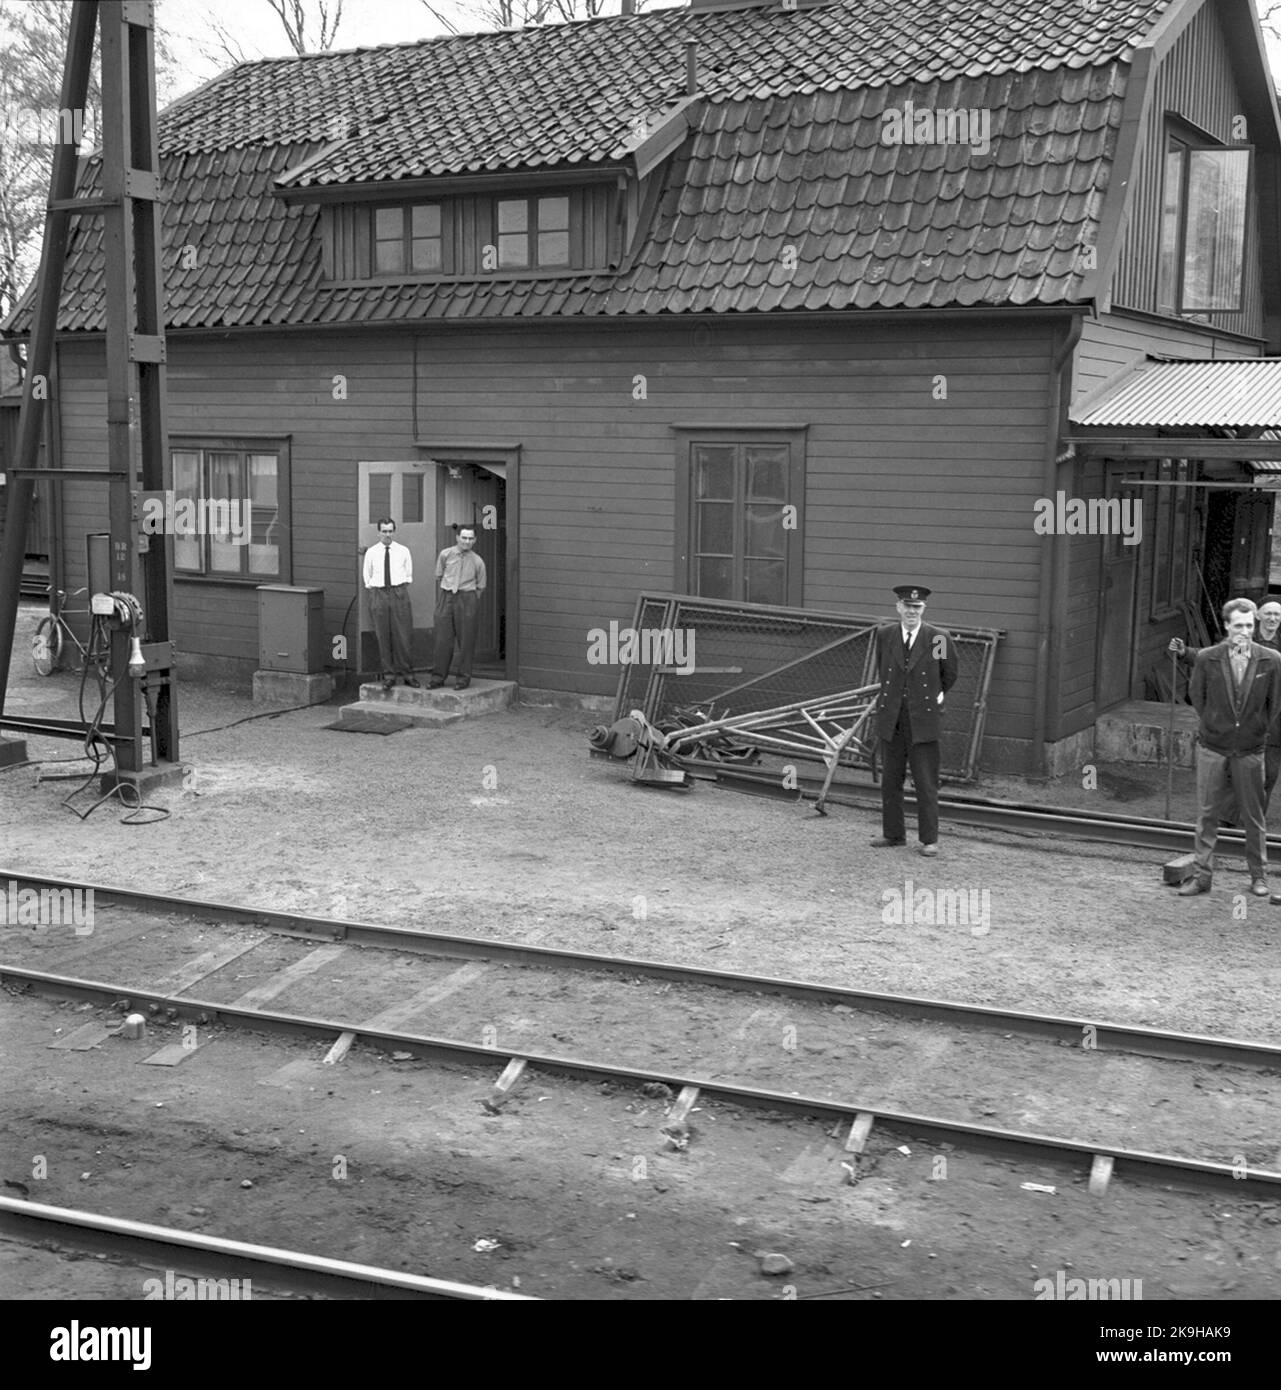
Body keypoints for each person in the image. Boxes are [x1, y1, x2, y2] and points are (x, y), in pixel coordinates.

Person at [1178, 597, 1281, 898]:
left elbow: (1274, 703)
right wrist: (1216, 724)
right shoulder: (1207, 658)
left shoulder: (1271, 660)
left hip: (1251, 749)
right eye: (1238, 626)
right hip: (1213, 747)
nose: (1244, 632)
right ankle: (1202, 877)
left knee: (1253, 816)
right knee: (1207, 815)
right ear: (1226, 626)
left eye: (1249, 626)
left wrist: (1255, 728)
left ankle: (1258, 877)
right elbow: (1198, 697)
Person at [868, 584, 959, 856]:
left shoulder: (938, 638)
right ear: (898, 607)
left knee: (925, 781)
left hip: (923, 719)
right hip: (892, 718)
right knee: (890, 780)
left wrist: (931, 696)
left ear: (924, 609)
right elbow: (884, 669)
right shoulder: (885, 635)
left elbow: (948, 674)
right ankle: (893, 834)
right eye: (907, 606)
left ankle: (929, 840)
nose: (912, 612)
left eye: (917, 607)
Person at [1171, 597, 1281, 806]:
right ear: (1258, 616)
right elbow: (1215, 659)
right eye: (1268, 613)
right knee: (1233, 776)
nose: (1273, 618)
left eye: (1277, 614)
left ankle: (1256, 816)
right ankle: (1231, 817)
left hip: (1273, 724)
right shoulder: (1243, 639)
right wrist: (1186, 653)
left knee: (1269, 775)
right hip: (1241, 722)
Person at [362, 518, 418, 691]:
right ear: (378, 532)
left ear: (394, 531)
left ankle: (407, 674)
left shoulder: (403, 551)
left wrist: (397, 589)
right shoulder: (372, 552)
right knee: (383, 636)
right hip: (379, 594)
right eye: (384, 531)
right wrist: (376, 591)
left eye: (390, 531)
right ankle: (389, 676)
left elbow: (408, 574)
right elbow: (367, 576)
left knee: (403, 635)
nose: (387, 534)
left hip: (398, 593)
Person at [429, 526, 487, 690]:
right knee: (442, 640)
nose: (467, 541)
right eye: (464, 538)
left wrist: (469, 600)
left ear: (475, 540)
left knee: (466, 640)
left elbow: (481, 586)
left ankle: (463, 679)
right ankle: (438, 678)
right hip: (447, 596)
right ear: (457, 538)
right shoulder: (445, 554)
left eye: (470, 538)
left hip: (467, 599)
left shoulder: (478, 561)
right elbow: (439, 575)